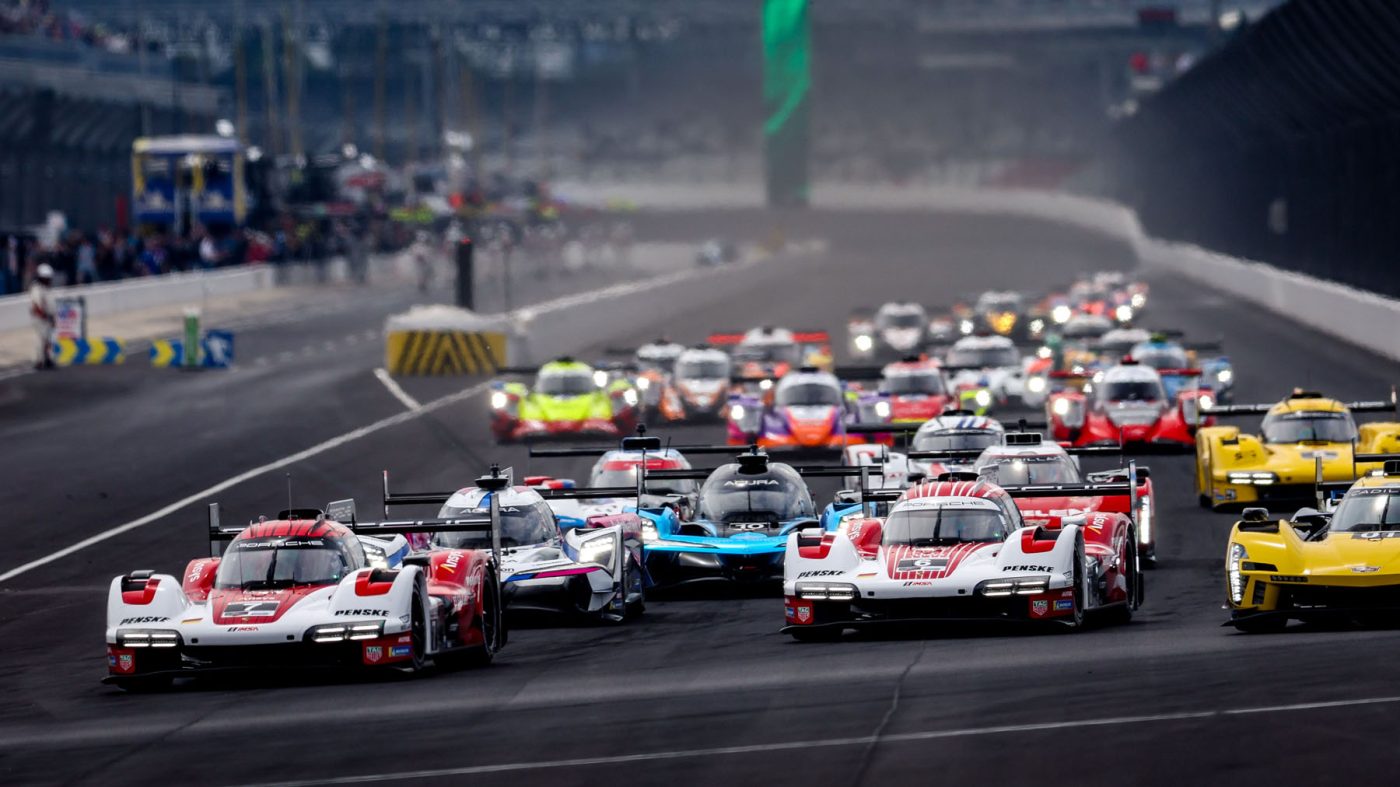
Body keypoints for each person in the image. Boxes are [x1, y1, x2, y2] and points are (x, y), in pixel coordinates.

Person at [29, 263, 56, 370]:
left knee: (48, 339)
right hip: (40, 318)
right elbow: (36, 305)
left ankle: (47, 359)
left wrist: (52, 318)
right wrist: (44, 316)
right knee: (41, 339)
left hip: (47, 317)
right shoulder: (36, 288)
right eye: (47, 278)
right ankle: (39, 361)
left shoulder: (47, 288)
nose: (49, 280)